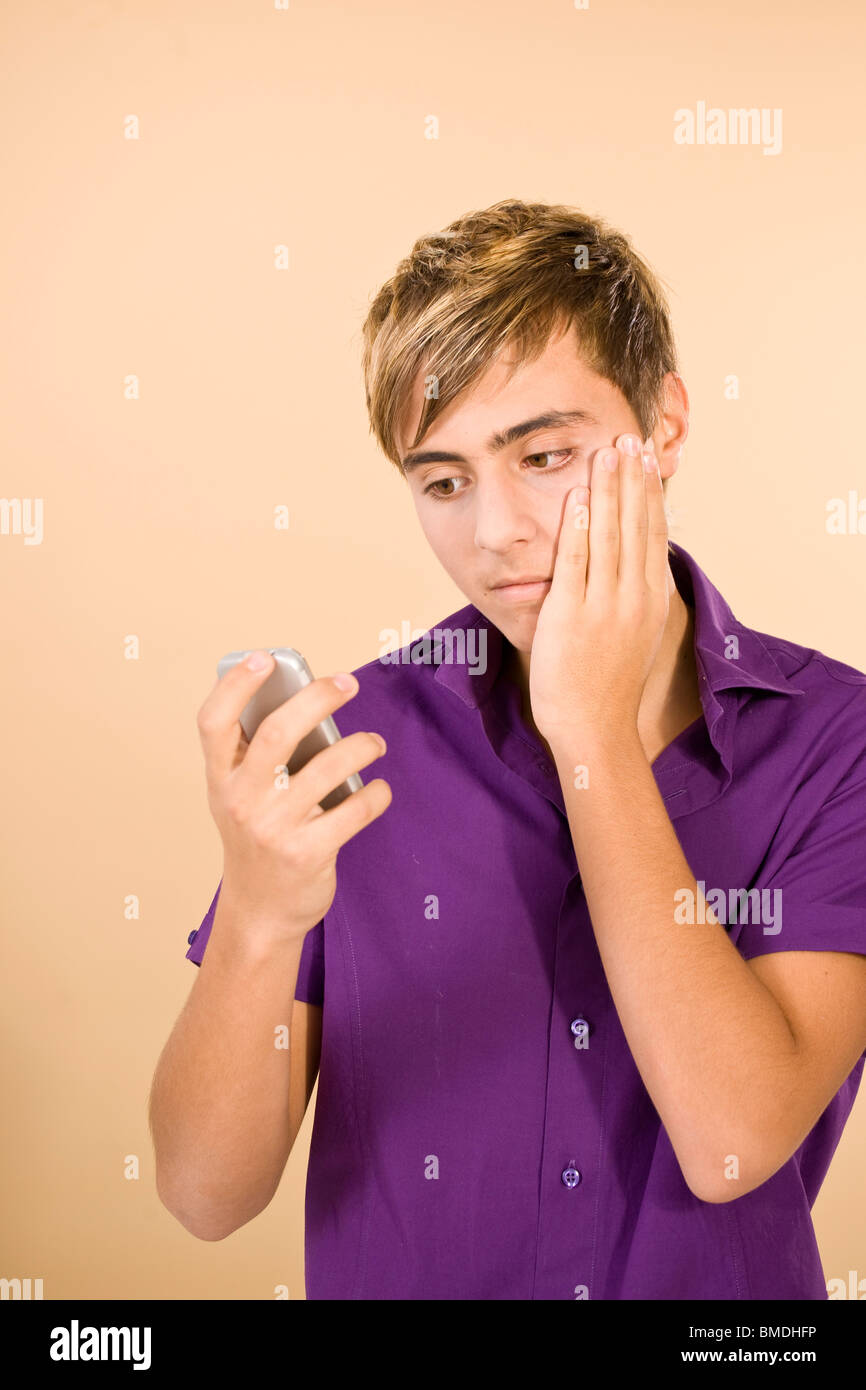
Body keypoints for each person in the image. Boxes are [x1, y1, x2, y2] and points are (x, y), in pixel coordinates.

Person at [150, 199, 866, 1300]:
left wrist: (588, 730)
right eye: (442, 481)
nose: (492, 532)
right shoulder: (358, 743)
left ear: (663, 425)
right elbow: (203, 1195)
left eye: (542, 454)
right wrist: (256, 914)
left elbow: (731, 1143)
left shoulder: (833, 738)